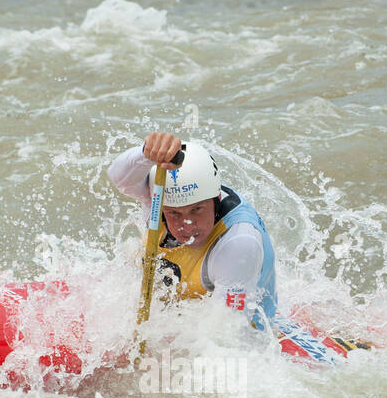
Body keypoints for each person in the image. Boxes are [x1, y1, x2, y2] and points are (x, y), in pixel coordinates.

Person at [108, 132, 277, 331]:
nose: (186, 225)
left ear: (217, 199)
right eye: (173, 213)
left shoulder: (239, 243)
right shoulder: (157, 196)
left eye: (196, 209)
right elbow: (118, 177)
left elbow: (229, 335)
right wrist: (145, 153)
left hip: (249, 329)